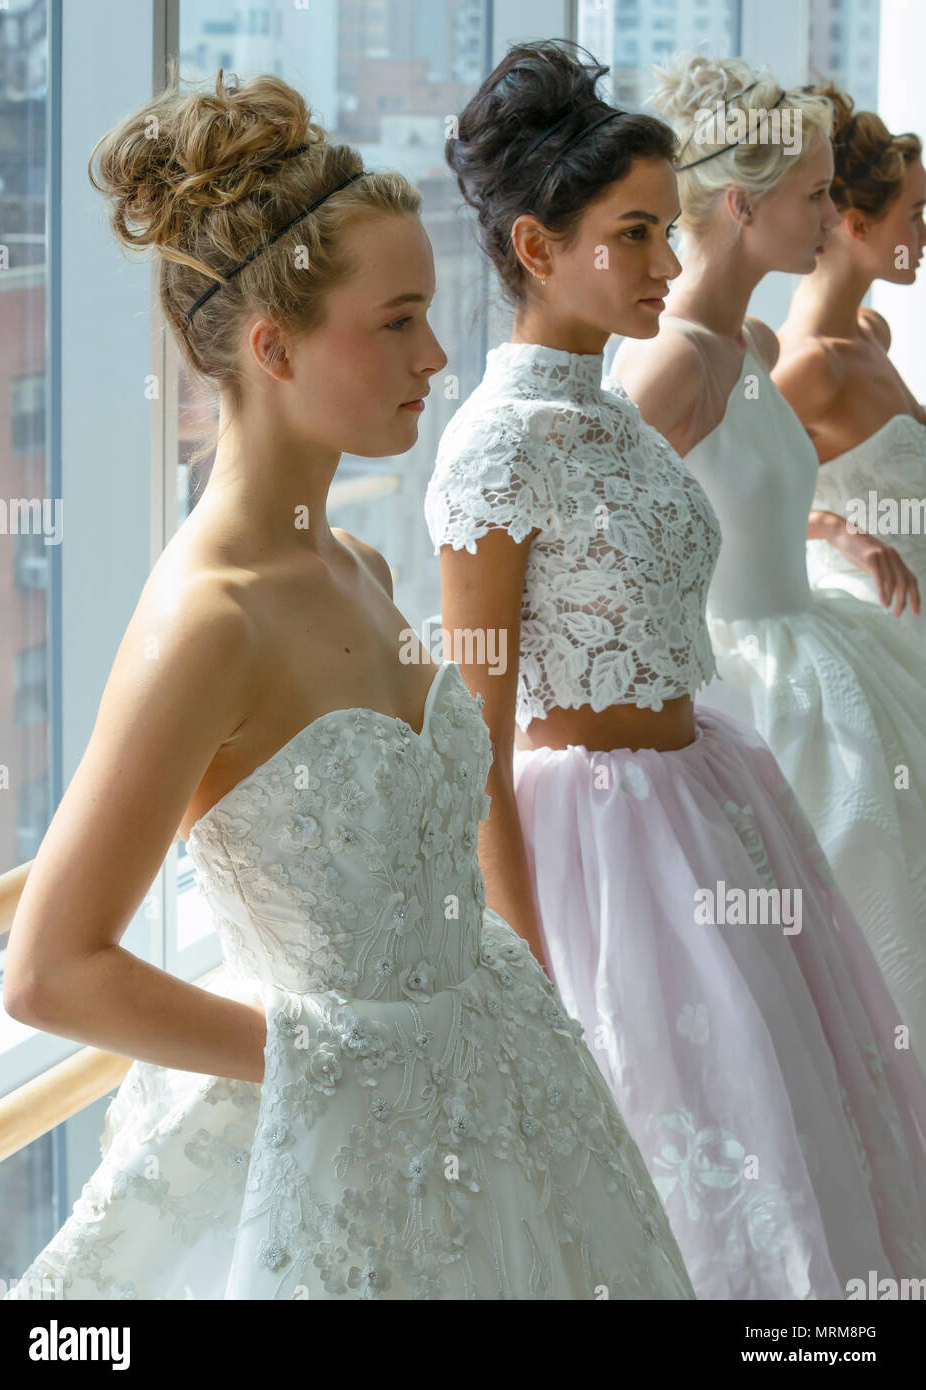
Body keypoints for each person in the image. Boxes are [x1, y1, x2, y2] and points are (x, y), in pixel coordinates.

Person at [0, 68, 694, 1302]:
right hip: (342, 1155)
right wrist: (323, 1062)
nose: (436, 353)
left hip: (503, 1097)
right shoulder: (207, 622)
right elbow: (51, 967)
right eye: (397, 320)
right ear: (272, 346)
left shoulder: (358, 557)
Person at [425, 39, 926, 1300]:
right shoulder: (494, 450)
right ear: (536, 250)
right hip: (602, 850)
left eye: (665, 229)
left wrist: (826, 530)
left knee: (802, 1145)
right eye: (634, 234)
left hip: (714, 794)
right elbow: (475, 738)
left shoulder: (608, 408)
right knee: (692, 1177)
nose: (665, 260)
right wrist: (526, 974)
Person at [613, 53, 926, 1077]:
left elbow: (751, 492)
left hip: (816, 645)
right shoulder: (668, 358)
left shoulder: (745, 337)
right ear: (744, 206)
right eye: (814, 192)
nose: (830, 212)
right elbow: (599, 545)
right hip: (744, 684)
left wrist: (833, 532)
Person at [772, 83, 925, 647]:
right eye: (916, 215)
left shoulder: (870, 331)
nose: (924, 236)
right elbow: (724, 502)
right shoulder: (811, 366)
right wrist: (836, 530)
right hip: (880, 630)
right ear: (857, 225)